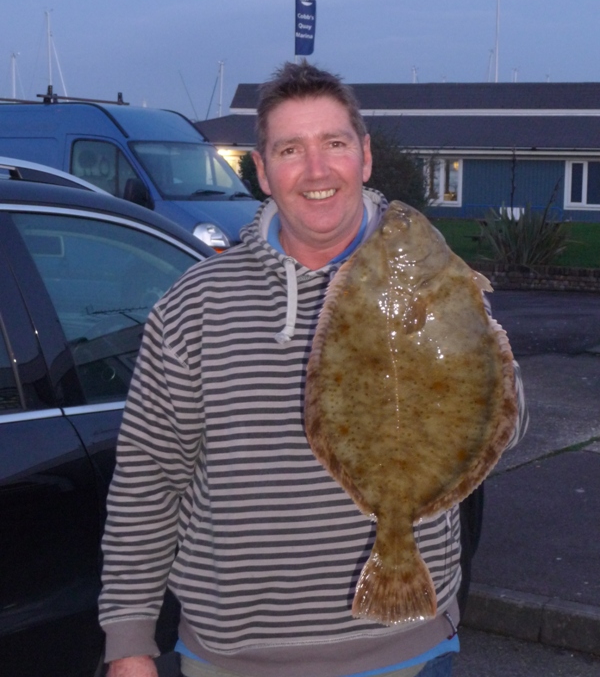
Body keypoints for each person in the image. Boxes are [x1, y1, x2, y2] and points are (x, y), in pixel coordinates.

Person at [99, 61, 527, 677]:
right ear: (264, 171)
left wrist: (479, 344)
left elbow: (505, 425)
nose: (318, 169)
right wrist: (130, 642)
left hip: (407, 651)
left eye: (334, 144)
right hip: (232, 660)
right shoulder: (193, 304)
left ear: (365, 156)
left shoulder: (434, 278)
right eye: (291, 149)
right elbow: (147, 482)